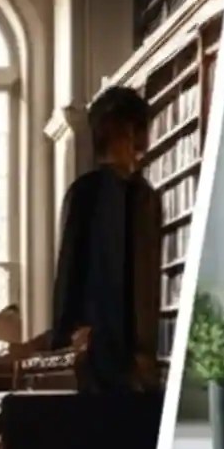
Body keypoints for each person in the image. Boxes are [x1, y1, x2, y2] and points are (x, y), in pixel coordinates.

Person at [50, 85, 161, 393]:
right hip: (96, 356)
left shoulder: (147, 198)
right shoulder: (87, 193)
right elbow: (70, 274)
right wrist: (64, 344)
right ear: (121, 129)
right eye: (139, 128)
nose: (144, 138)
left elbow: (150, 282)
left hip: (139, 360)